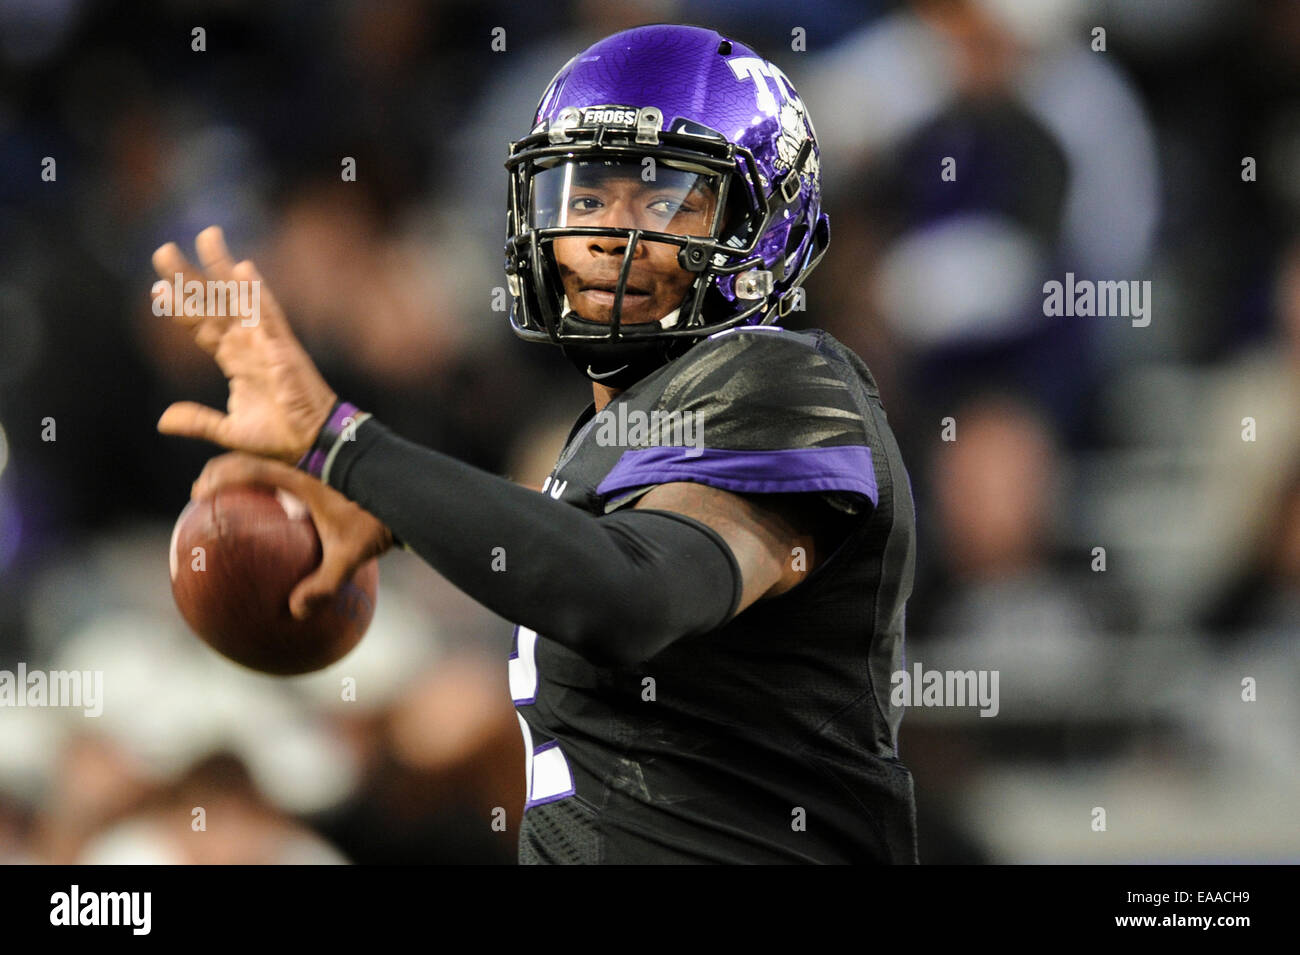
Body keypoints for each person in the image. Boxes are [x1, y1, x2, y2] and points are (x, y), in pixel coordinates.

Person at [153, 24, 919, 864]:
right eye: (585, 197)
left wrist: (346, 447)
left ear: (762, 223)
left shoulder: (785, 381)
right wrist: (395, 514)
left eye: (663, 198)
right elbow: (591, 559)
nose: (605, 232)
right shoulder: (614, 433)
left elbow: (633, 593)